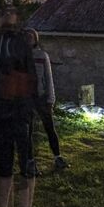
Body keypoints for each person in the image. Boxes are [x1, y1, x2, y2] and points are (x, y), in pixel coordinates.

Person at [0, 6, 40, 207]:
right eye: (3, 13)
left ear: (17, 19)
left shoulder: (23, 43)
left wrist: (28, 110)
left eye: (10, 13)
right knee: (4, 165)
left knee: (26, 166)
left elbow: (32, 79)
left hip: (20, 114)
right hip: (1, 114)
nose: (6, 16)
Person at [25, 28, 68, 172]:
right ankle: (30, 161)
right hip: (27, 98)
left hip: (41, 97)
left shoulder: (42, 55)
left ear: (36, 39)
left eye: (32, 36)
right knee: (28, 131)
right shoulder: (22, 55)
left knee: (49, 128)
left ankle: (57, 157)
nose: (29, 38)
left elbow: (48, 78)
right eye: (27, 36)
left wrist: (51, 98)